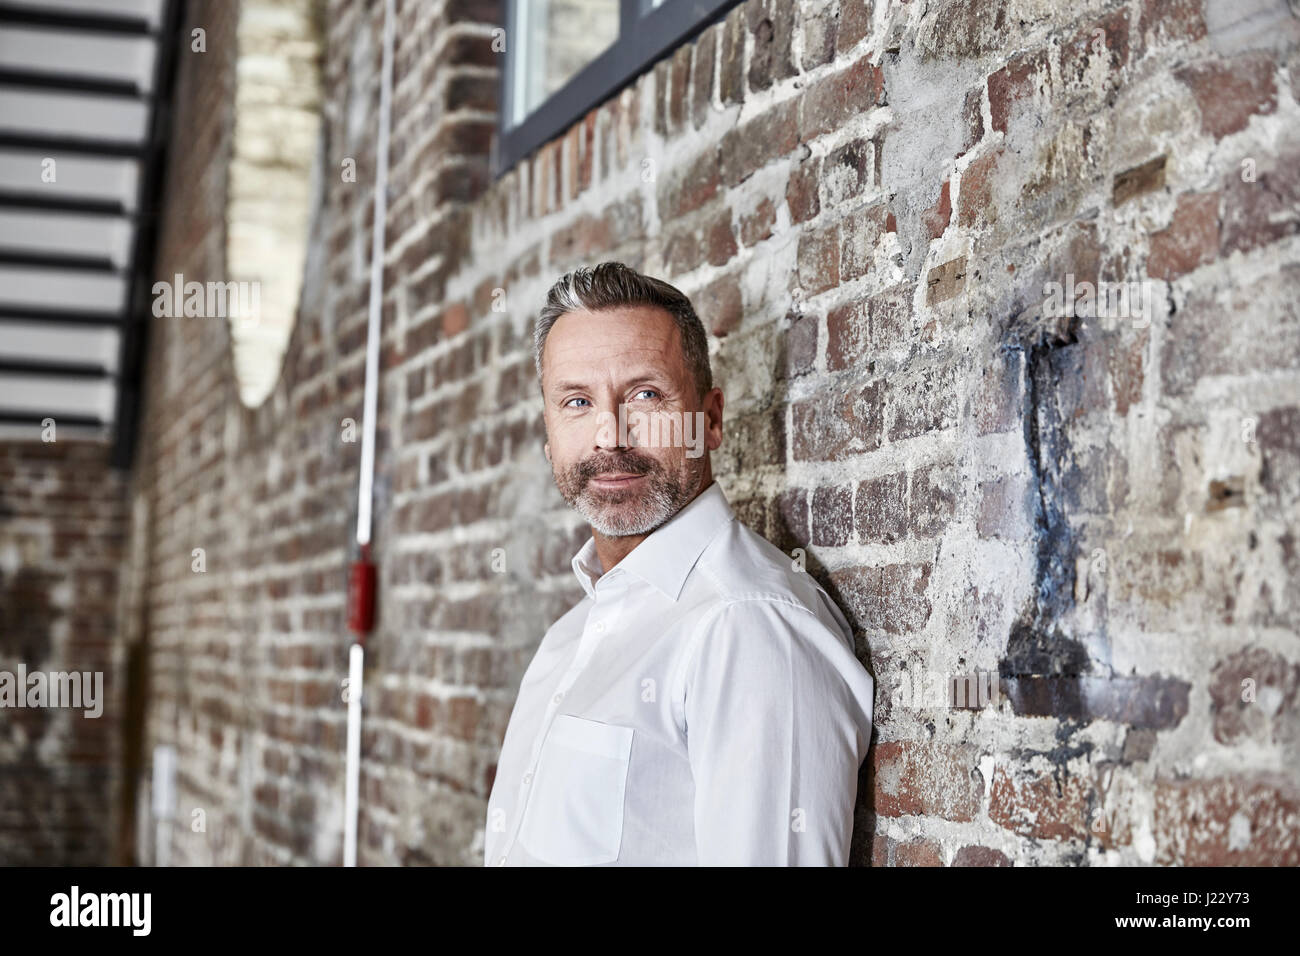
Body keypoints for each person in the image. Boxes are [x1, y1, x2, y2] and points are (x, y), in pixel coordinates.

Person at [484, 261, 875, 866]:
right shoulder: (571, 636)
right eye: (577, 401)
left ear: (710, 419)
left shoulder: (748, 627)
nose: (609, 435)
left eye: (644, 395)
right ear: (549, 430)